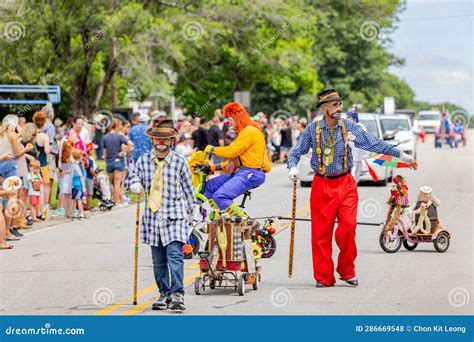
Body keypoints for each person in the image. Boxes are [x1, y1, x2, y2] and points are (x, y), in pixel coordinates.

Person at [287, 89, 418, 288]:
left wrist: (402, 155)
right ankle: (323, 277)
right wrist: (293, 167)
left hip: (346, 184)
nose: (339, 108)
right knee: (320, 233)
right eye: (334, 105)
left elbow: (375, 143)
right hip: (322, 184)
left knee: (348, 228)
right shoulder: (312, 130)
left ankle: (347, 271)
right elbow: (296, 152)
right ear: (324, 109)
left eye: (340, 104)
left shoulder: (349, 127)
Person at [127, 118, 195, 311]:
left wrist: (194, 212)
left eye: (165, 138)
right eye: (158, 138)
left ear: (172, 140)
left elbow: (189, 190)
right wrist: (133, 184)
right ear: (152, 140)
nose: (161, 142)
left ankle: (178, 295)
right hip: (152, 218)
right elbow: (131, 178)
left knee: (175, 255)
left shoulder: (180, 161)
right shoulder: (143, 161)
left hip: (175, 217)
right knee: (158, 261)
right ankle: (164, 293)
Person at [204, 102, 271, 218]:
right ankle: (220, 217)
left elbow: (231, 151)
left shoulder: (249, 131)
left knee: (220, 196)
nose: (227, 122)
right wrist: (214, 167)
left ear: (238, 118)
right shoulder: (242, 133)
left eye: (230, 118)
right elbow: (235, 161)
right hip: (241, 171)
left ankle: (244, 221)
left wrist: (212, 149)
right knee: (208, 188)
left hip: (252, 173)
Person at [103, 119, 134, 204]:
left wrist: (106, 159)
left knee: (111, 183)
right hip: (118, 162)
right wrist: (122, 152)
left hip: (109, 162)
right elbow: (131, 144)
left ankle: (112, 200)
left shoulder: (105, 137)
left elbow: (104, 153)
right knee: (117, 182)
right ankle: (117, 202)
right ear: (117, 126)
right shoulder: (120, 136)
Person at [32, 111, 51, 218]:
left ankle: (36, 212)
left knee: (35, 188)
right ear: (44, 122)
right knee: (42, 188)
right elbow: (47, 151)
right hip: (43, 164)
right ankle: (41, 213)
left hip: (33, 164)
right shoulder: (44, 136)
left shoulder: (32, 134)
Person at [347, 111, 369, 184]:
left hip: (358, 152)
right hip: (353, 153)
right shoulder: (350, 126)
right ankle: (353, 183)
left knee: (357, 168)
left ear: (354, 119)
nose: (348, 118)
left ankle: (354, 183)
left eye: (349, 117)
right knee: (354, 168)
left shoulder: (359, 126)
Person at [71, 149, 87, 220]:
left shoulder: (72, 165)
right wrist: (83, 187)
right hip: (79, 185)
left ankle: (73, 213)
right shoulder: (78, 166)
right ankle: (81, 213)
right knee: (79, 199)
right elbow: (81, 176)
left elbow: (71, 175)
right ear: (80, 157)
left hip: (73, 185)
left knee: (74, 199)